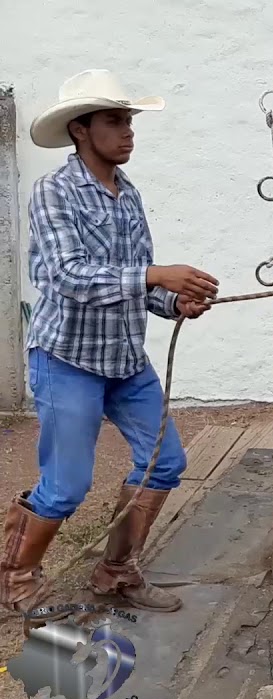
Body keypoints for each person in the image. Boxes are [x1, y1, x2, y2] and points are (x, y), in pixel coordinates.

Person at [0, 69, 221, 617]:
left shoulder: (128, 195)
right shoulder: (54, 192)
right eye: (114, 121)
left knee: (164, 462)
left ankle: (117, 573)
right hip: (67, 359)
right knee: (66, 487)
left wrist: (175, 302)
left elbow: (137, 283)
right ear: (80, 130)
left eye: (129, 121)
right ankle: (16, 580)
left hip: (125, 360)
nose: (128, 132)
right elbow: (67, 276)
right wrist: (155, 276)